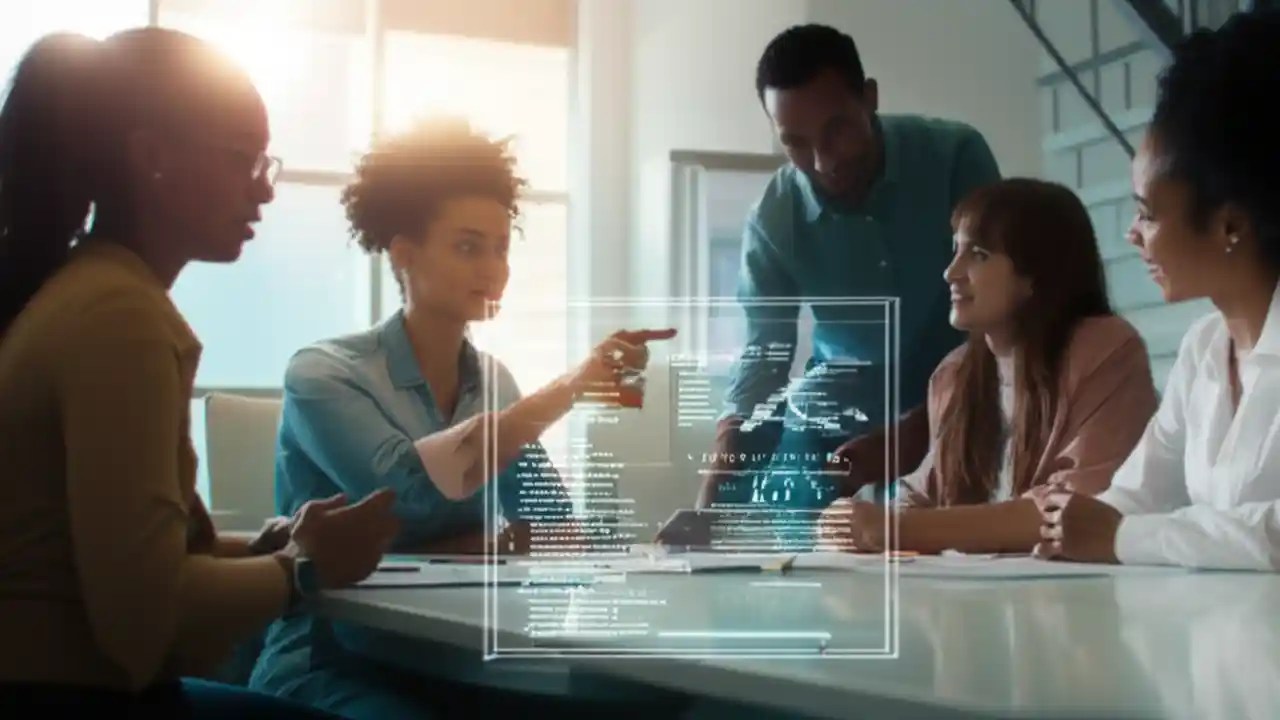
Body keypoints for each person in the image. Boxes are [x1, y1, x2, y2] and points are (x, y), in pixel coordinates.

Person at [0, 30, 397, 716]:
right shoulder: (117, 318)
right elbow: (142, 611)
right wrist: (305, 567)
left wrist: (275, 542)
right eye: (242, 161)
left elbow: (129, 552)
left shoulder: (90, 291)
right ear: (153, 157)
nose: (264, 194)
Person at [250, 119, 679, 718]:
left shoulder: (494, 382)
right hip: (330, 662)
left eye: (502, 247)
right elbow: (408, 495)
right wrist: (566, 393)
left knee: (643, 704)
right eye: (468, 246)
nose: (494, 269)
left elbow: (553, 528)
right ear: (404, 255)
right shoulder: (323, 374)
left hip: (457, 656)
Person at [699, 24, 1002, 511]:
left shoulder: (955, 158)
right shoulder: (775, 217)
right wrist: (716, 483)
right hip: (835, 410)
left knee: (935, 530)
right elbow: (765, 355)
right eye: (795, 143)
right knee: (793, 520)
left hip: (962, 397)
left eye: (836, 130)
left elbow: (998, 318)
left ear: (869, 98)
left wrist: (923, 428)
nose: (822, 162)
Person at [1033, 9, 1280, 571]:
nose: (1133, 235)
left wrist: (1123, 538)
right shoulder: (1203, 348)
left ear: (1230, 226)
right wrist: (1063, 531)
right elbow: (1133, 497)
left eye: (1147, 214)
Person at [816, 179, 1157, 554]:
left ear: (1035, 274)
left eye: (977, 254)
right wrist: (853, 524)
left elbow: (1074, 511)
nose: (951, 273)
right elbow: (921, 497)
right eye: (954, 251)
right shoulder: (954, 375)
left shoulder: (1106, 350)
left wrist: (893, 529)